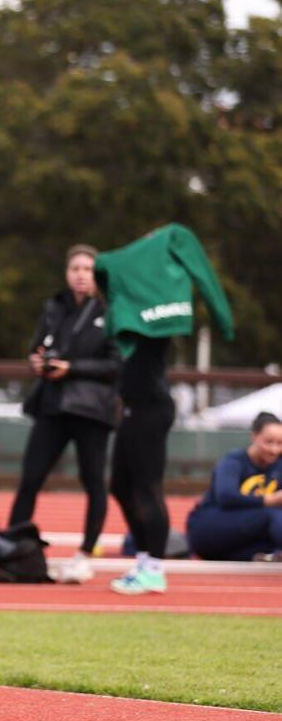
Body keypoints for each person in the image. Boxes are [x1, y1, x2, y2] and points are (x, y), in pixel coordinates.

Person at [97, 224, 234, 595]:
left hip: (151, 409)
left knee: (147, 488)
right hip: (132, 410)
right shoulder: (132, 313)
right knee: (120, 487)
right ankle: (143, 561)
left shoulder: (154, 322)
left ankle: (155, 568)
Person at [5, 245, 121, 585]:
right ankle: (13, 546)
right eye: (75, 269)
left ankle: (86, 552)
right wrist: (39, 361)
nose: (81, 275)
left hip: (90, 408)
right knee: (30, 478)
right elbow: (37, 346)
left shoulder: (111, 310)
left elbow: (116, 364)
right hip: (53, 404)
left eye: (88, 269)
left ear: (98, 274)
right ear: (67, 273)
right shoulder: (54, 307)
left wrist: (72, 368)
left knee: (93, 480)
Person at [186, 412, 282, 561]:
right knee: (272, 516)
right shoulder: (233, 461)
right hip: (208, 529)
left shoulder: (279, 464)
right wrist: (270, 500)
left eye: (280, 443)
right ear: (254, 436)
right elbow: (226, 497)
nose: (274, 450)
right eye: (268, 442)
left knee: (273, 529)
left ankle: (264, 556)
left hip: (238, 543)